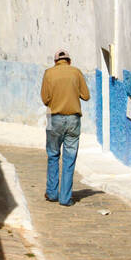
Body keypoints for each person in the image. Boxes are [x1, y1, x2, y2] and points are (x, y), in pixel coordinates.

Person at [41, 49, 89, 206]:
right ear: (69, 61)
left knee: (53, 155)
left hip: (53, 119)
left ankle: (52, 193)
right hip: (73, 120)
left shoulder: (49, 73)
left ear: (55, 62)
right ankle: (65, 198)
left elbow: (45, 99)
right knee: (69, 159)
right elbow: (86, 96)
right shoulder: (76, 72)